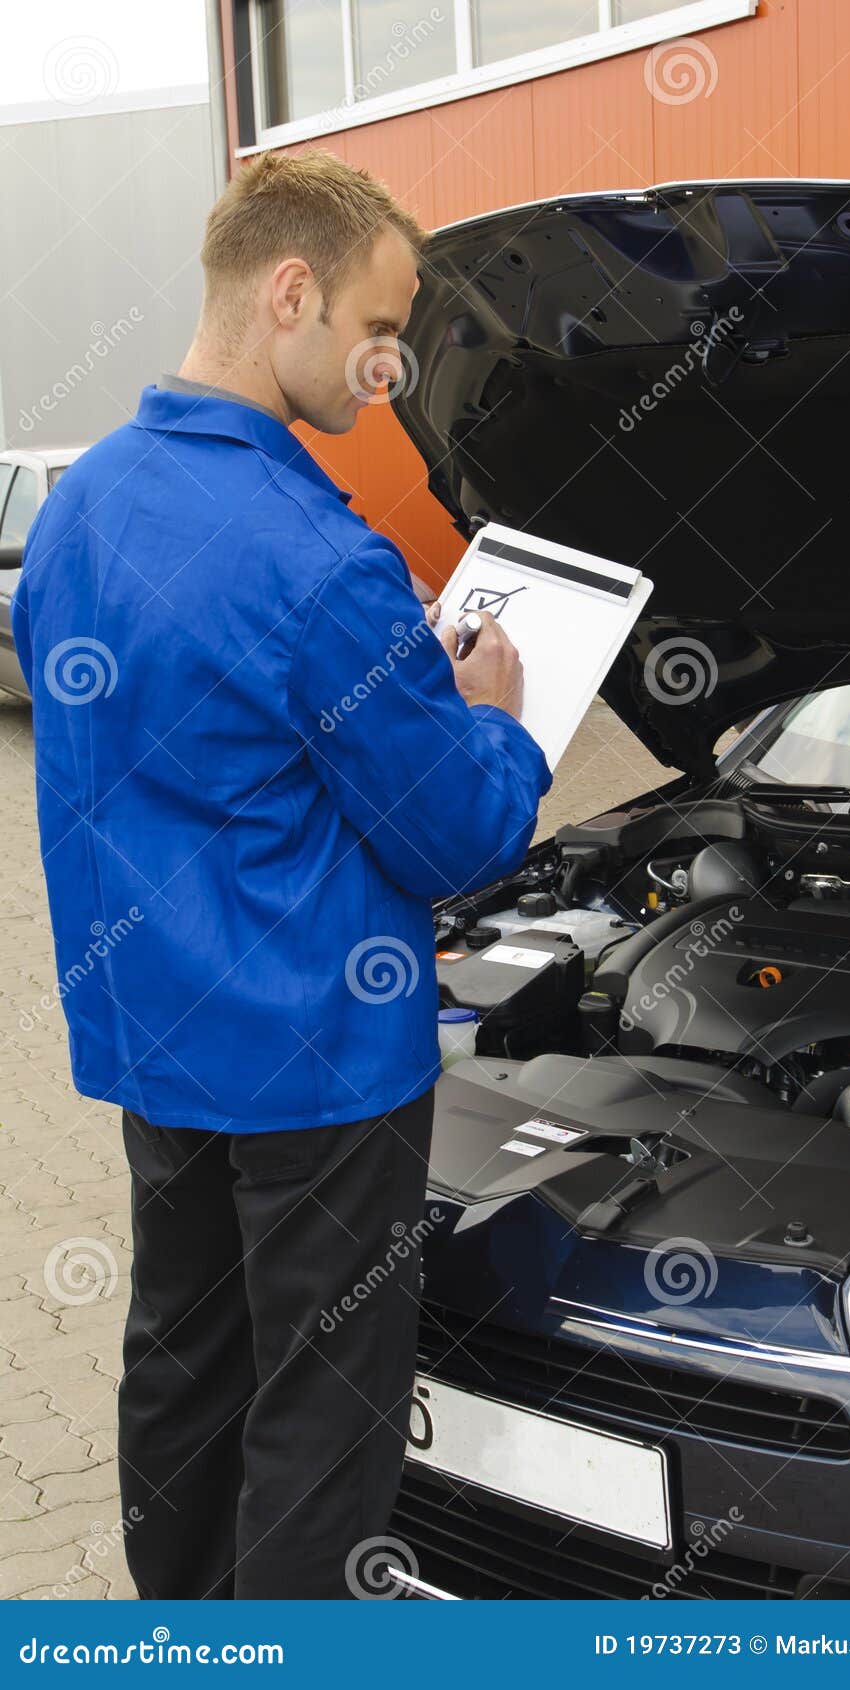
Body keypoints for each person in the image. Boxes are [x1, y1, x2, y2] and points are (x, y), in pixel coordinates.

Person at [12, 150, 551, 1599]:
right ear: (292, 290)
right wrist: (487, 718)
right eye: (381, 326)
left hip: (159, 1045)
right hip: (319, 1072)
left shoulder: (80, 510)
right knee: (321, 1421)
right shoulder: (324, 556)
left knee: (183, 1375)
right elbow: (453, 834)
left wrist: (387, 686)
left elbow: (200, 742)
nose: (389, 366)